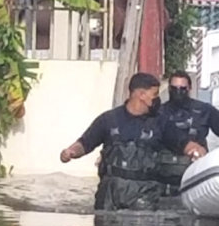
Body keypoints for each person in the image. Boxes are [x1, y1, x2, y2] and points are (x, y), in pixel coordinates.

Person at [59, 73, 171, 212]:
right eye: (154, 94)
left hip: (144, 192)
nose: (157, 99)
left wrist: (192, 150)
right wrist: (71, 152)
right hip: (110, 192)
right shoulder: (108, 119)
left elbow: (182, 143)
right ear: (141, 95)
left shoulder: (161, 123)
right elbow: (85, 143)